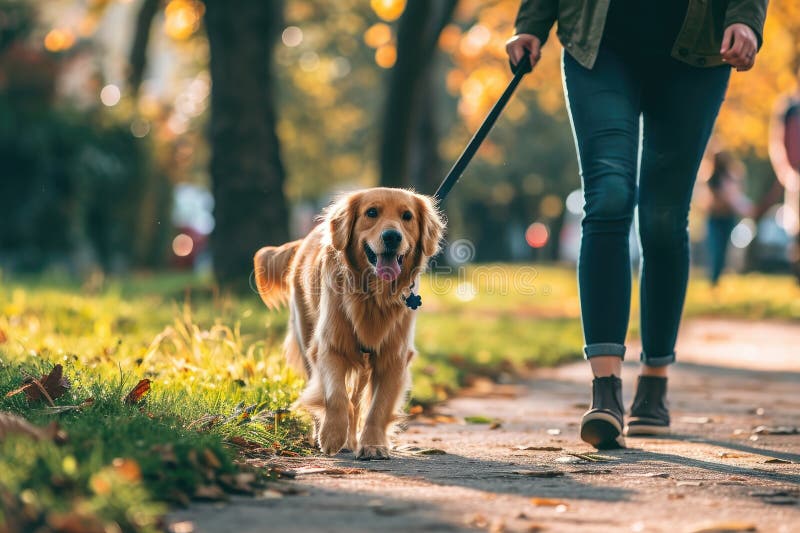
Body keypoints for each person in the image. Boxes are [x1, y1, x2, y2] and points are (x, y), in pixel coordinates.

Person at [506, 0, 767, 449]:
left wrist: (745, 18)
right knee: (608, 198)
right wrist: (532, 23)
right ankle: (605, 392)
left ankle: (654, 383)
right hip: (599, 44)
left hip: (697, 52)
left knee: (664, 220)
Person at [768, 72, 800, 282]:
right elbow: (777, 143)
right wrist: (786, 172)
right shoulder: (789, 108)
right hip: (796, 177)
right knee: (797, 227)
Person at [706, 151, 752, 286]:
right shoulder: (712, 178)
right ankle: (714, 279)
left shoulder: (731, 177)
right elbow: (714, 200)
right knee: (716, 249)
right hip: (715, 218)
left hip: (727, 217)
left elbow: (738, 193)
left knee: (723, 249)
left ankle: (717, 278)